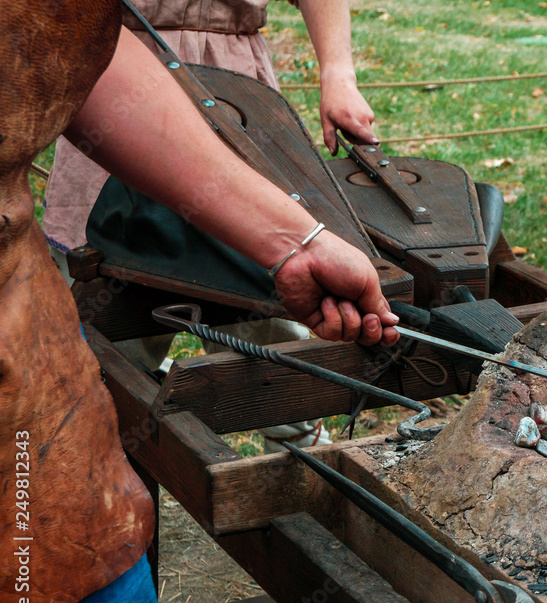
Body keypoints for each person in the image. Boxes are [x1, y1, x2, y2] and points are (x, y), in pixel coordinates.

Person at [0, 2, 397, 603]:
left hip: (217, 112)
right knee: (121, 365)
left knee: (287, 372)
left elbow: (74, 50)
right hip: (109, 175)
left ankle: (320, 562)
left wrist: (289, 240)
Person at [44, 0, 377, 452]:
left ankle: (301, 453)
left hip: (235, 95)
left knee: (272, 332)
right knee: (100, 354)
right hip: (114, 91)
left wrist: (338, 72)